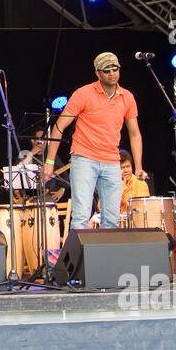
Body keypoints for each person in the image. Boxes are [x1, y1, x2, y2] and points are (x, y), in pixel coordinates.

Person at [43, 51, 146, 230]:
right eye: (107, 70)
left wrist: (139, 167)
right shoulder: (84, 94)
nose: (112, 73)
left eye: (115, 69)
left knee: (112, 219)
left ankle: (107, 259)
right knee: (81, 216)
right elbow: (59, 126)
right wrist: (49, 162)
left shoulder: (127, 97)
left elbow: (135, 134)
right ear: (98, 73)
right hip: (84, 158)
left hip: (112, 161)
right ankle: (78, 259)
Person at [94, 149, 150, 225]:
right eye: (122, 168)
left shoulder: (140, 183)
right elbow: (101, 209)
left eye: (128, 166)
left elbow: (139, 210)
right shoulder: (108, 184)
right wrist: (121, 188)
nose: (126, 170)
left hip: (134, 224)